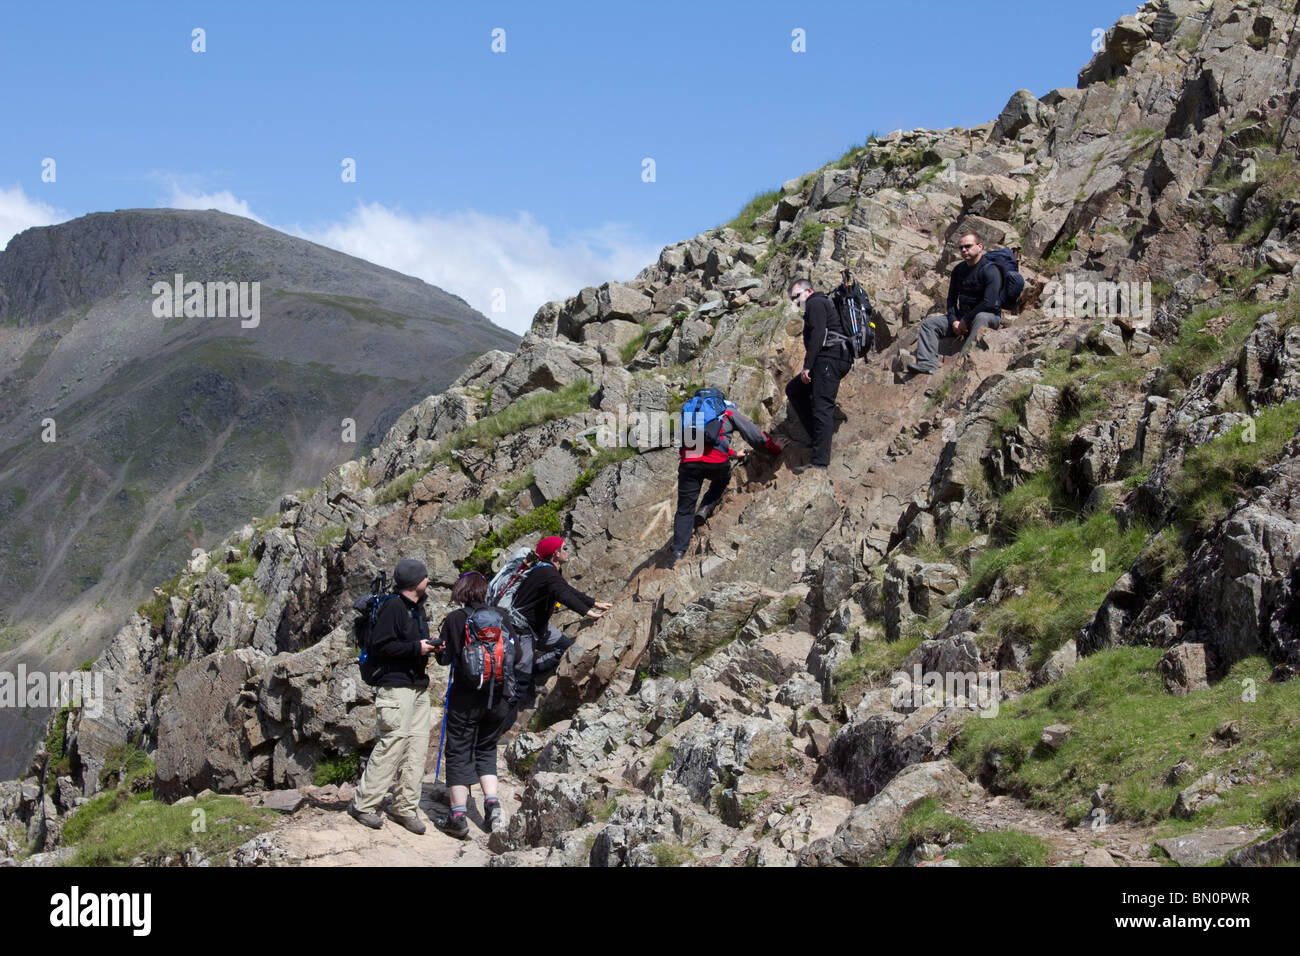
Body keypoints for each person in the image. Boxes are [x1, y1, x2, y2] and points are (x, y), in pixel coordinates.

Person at [432, 571, 532, 839]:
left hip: (465, 698)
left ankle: (458, 816)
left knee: (458, 751)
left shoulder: (455, 619)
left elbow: (444, 660)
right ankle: (493, 805)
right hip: (500, 697)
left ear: (460, 592)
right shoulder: (501, 615)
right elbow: (518, 654)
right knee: (486, 749)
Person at [348, 557, 438, 834]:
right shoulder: (393, 607)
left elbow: (413, 644)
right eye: (425, 577)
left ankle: (405, 807)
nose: (428, 580)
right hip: (395, 687)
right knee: (392, 745)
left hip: (417, 687)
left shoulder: (416, 608)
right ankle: (364, 805)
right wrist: (416, 649)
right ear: (416, 581)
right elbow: (381, 646)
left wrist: (433, 647)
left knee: (417, 747)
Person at [668, 389, 782, 567]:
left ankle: (678, 551)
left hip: (689, 462)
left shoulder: (690, 410)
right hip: (716, 463)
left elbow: (695, 443)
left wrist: (733, 453)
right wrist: (775, 449)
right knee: (723, 477)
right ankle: (705, 508)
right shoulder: (727, 410)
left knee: (684, 508)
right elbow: (753, 435)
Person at [508, 536, 610, 678]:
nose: (567, 551)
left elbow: (566, 589)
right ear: (556, 553)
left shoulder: (547, 570)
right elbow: (563, 595)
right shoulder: (547, 572)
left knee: (565, 648)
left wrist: (594, 603)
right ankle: (519, 681)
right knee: (521, 677)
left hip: (539, 627)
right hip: (523, 629)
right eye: (565, 548)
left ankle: (533, 667)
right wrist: (589, 613)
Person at [908, 231, 1002, 375]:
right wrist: (954, 321)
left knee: (981, 317)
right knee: (929, 324)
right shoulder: (958, 270)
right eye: (961, 247)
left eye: (968, 246)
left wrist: (965, 320)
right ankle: (927, 363)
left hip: (988, 317)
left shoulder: (991, 270)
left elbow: (988, 303)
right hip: (962, 318)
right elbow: (951, 299)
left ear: (980, 246)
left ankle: (961, 364)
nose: (964, 250)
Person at [785, 278, 853, 474]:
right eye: (793, 299)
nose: (795, 302)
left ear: (809, 291)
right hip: (830, 360)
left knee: (822, 407)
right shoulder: (821, 304)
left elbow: (818, 335)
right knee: (794, 389)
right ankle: (818, 440)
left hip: (829, 359)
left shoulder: (815, 302)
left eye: (797, 297)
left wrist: (807, 367)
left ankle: (820, 463)